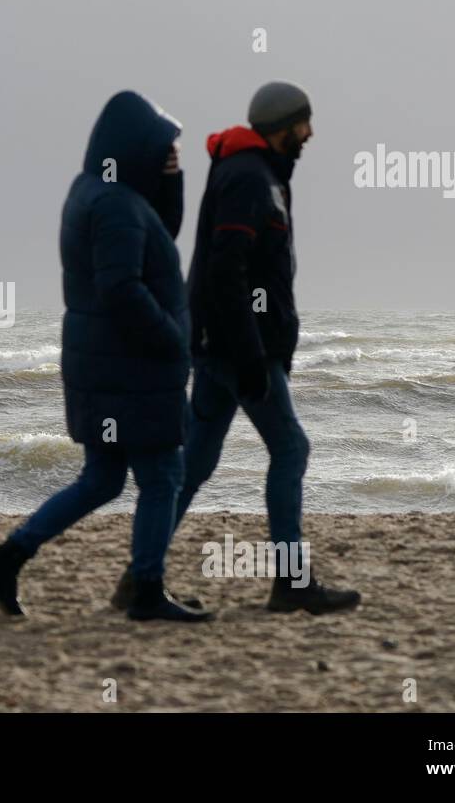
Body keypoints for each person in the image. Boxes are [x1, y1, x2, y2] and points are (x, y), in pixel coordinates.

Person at [114, 80, 360, 615]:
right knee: (291, 449)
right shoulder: (249, 177)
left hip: (221, 345)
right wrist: (250, 354)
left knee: (196, 462)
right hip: (237, 348)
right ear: (280, 127)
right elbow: (226, 271)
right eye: (303, 124)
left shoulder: (259, 174)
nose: (310, 133)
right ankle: (291, 582)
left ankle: (138, 580)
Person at [0, 91, 212, 623]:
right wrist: (171, 337)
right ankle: (146, 591)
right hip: (132, 369)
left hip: (105, 367)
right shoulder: (115, 205)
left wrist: (171, 179)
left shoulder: (103, 193)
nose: (169, 152)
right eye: (162, 147)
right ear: (133, 147)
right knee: (162, 477)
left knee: (102, 479)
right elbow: (122, 288)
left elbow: (160, 235)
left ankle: (7, 557)